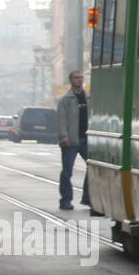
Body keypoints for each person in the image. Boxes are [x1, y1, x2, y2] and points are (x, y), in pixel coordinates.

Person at [56, 70, 95, 213]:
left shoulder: (88, 97)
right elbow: (61, 120)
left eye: (81, 78)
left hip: (87, 139)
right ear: (70, 80)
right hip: (71, 141)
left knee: (92, 168)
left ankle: (87, 198)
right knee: (67, 172)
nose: (79, 80)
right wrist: (63, 137)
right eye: (76, 78)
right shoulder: (66, 99)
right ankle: (65, 200)